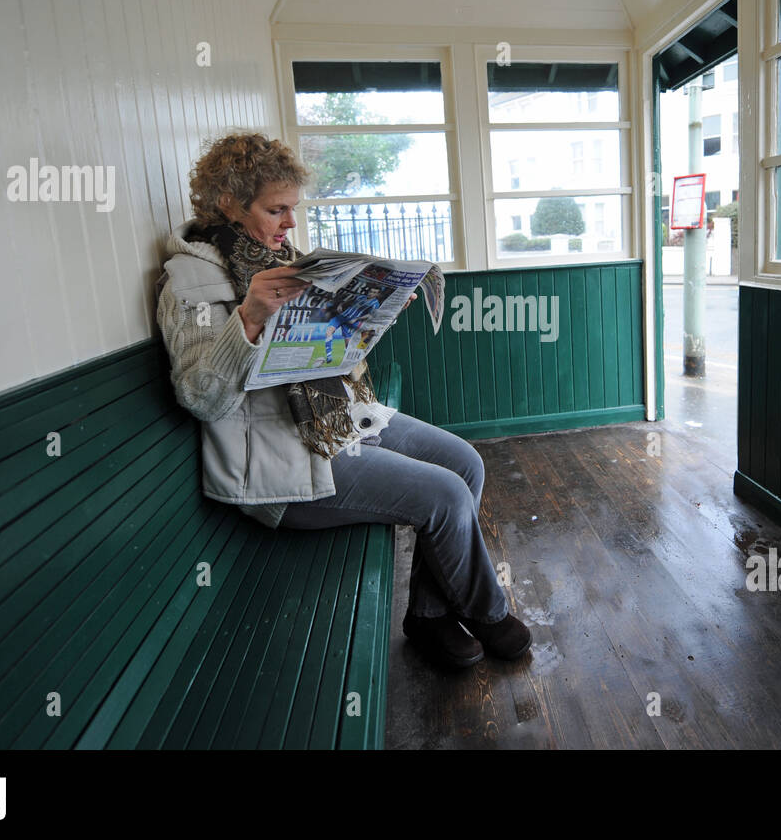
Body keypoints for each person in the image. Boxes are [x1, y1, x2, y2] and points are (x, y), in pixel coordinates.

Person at [154, 132, 529, 670]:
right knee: (444, 496)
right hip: (279, 463)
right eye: (275, 210)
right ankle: (490, 613)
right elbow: (201, 399)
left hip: (336, 422)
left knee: (464, 463)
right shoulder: (191, 281)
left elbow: (323, 360)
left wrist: (360, 324)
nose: (289, 224)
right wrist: (250, 318)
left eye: (292, 210)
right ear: (229, 203)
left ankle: (428, 615)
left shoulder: (286, 261)